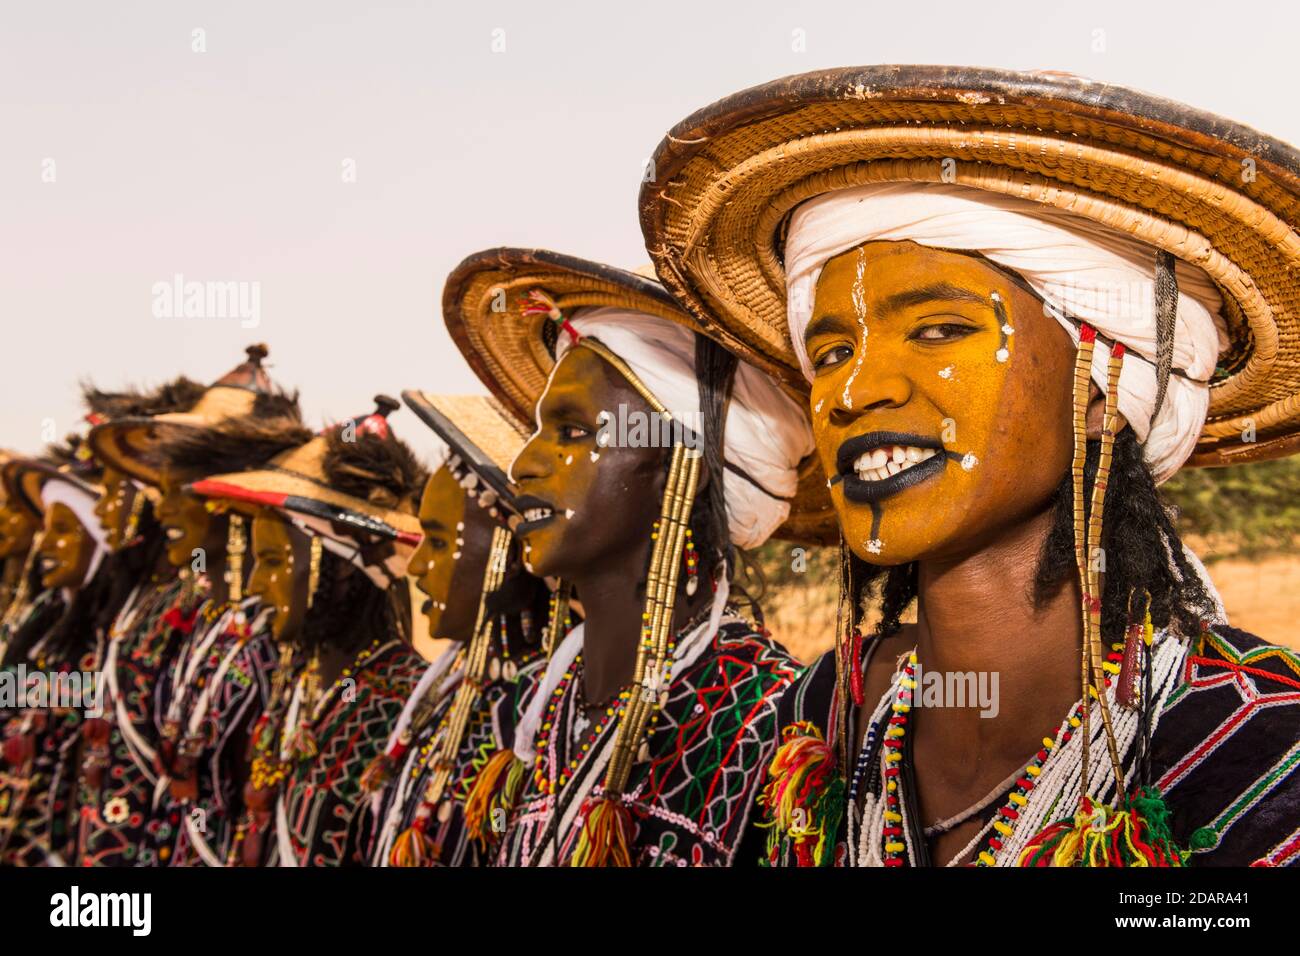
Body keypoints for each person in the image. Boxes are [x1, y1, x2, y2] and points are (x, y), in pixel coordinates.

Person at [641, 64, 1300, 866]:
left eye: (936, 331)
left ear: (1101, 395)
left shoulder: (1259, 752)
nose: (851, 392)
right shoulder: (819, 717)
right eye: (834, 352)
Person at [442, 248, 817, 866]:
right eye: (539, 431)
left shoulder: (776, 722)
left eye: (573, 431)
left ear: (684, 470)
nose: (523, 464)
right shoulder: (534, 707)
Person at [84, 347, 305, 865]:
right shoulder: (206, 615)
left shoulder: (271, 634)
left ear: (224, 496)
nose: (160, 506)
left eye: (173, 487)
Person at [190, 397, 427, 866]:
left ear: (340, 569)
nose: (258, 584)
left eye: (274, 562)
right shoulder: (297, 679)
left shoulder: (406, 710)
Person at [362, 391, 554, 867]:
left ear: (507, 555)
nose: (418, 566)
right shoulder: (449, 690)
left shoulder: (539, 722)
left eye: (440, 540)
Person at [0, 446, 110, 864]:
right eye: (45, 528)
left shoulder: (107, 633)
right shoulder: (47, 617)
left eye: (62, 529)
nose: (45, 543)